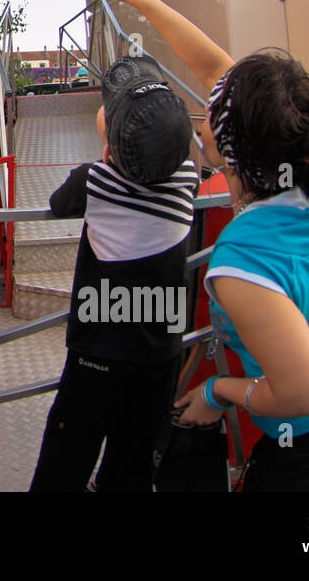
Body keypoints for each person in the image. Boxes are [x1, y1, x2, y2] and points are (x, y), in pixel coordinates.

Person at [86, 0, 309, 491]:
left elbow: (307, 392)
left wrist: (217, 393)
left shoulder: (241, 258)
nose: (204, 112)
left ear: (231, 156)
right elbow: (211, 64)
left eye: (210, 117)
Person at [29, 53, 198, 491]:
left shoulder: (93, 182)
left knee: (65, 460)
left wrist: (108, 148)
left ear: (111, 148)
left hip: (96, 357)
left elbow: (57, 203)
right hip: (161, 356)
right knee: (132, 462)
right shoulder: (187, 178)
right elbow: (141, 159)